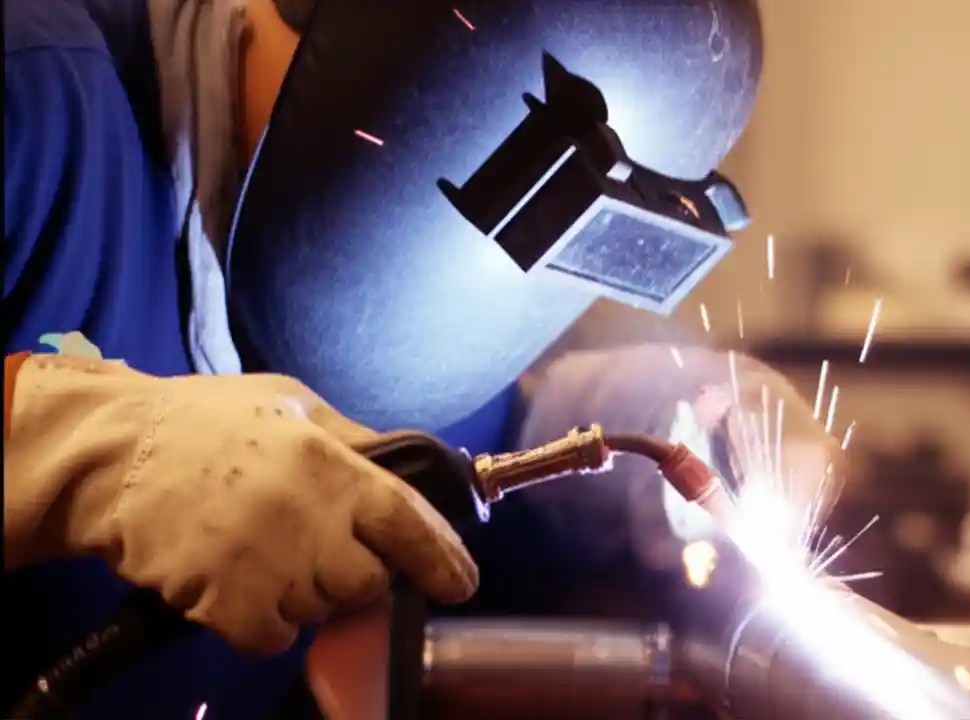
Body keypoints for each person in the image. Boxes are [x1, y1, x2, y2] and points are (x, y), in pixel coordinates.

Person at [3, 0, 844, 717]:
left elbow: (463, 465)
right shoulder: (33, 94)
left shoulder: (390, 305)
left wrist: (657, 431)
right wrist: (91, 451)